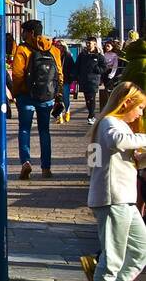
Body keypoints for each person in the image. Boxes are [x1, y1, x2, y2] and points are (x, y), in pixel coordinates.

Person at [83, 81, 146, 281]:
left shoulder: (112, 126)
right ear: (127, 102)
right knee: (113, 257)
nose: (141, 113)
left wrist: (139, 158)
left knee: (140, 249)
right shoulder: (110, 123)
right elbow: (118, 142)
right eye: (140, 107)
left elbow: (102, 160)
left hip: (124, 198)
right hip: (113, 199)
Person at [10, 19, 63, 180]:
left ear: (31, 33)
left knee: (24, 129)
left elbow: (18, 74)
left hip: (26, 96)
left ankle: (26, 162)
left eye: (24, 32)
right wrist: (58, 94)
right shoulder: (53, 49)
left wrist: (16, 93)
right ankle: (46, 168)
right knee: (44, 131)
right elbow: (59, 74)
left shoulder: (22, 49)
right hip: (46, 96)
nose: (22, 35)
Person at [75, 38, 107, 125]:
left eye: (89, 43)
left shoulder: (99, 56)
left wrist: (97, 69)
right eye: (87, 43)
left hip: (93, 81)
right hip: (84, 80)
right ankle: (91, 115)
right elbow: (77, 66)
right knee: (87, 99)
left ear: (95, 44)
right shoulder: (82, 55)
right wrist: (77, 77)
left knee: (91, 98)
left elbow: (104, 67)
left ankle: (91, 116)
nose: (88, 44)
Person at [54, 38, 76, 124]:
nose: (58, 47)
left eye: (59, 46)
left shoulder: (68, 56)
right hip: (55, 80)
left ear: (63, 46)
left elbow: (72, 68)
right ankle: (59, 117)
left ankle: (67, 111)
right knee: (57, 99)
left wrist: (71, 78)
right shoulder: (54, 55)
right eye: (56, 45)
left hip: (65, 80)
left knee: (65, 98)